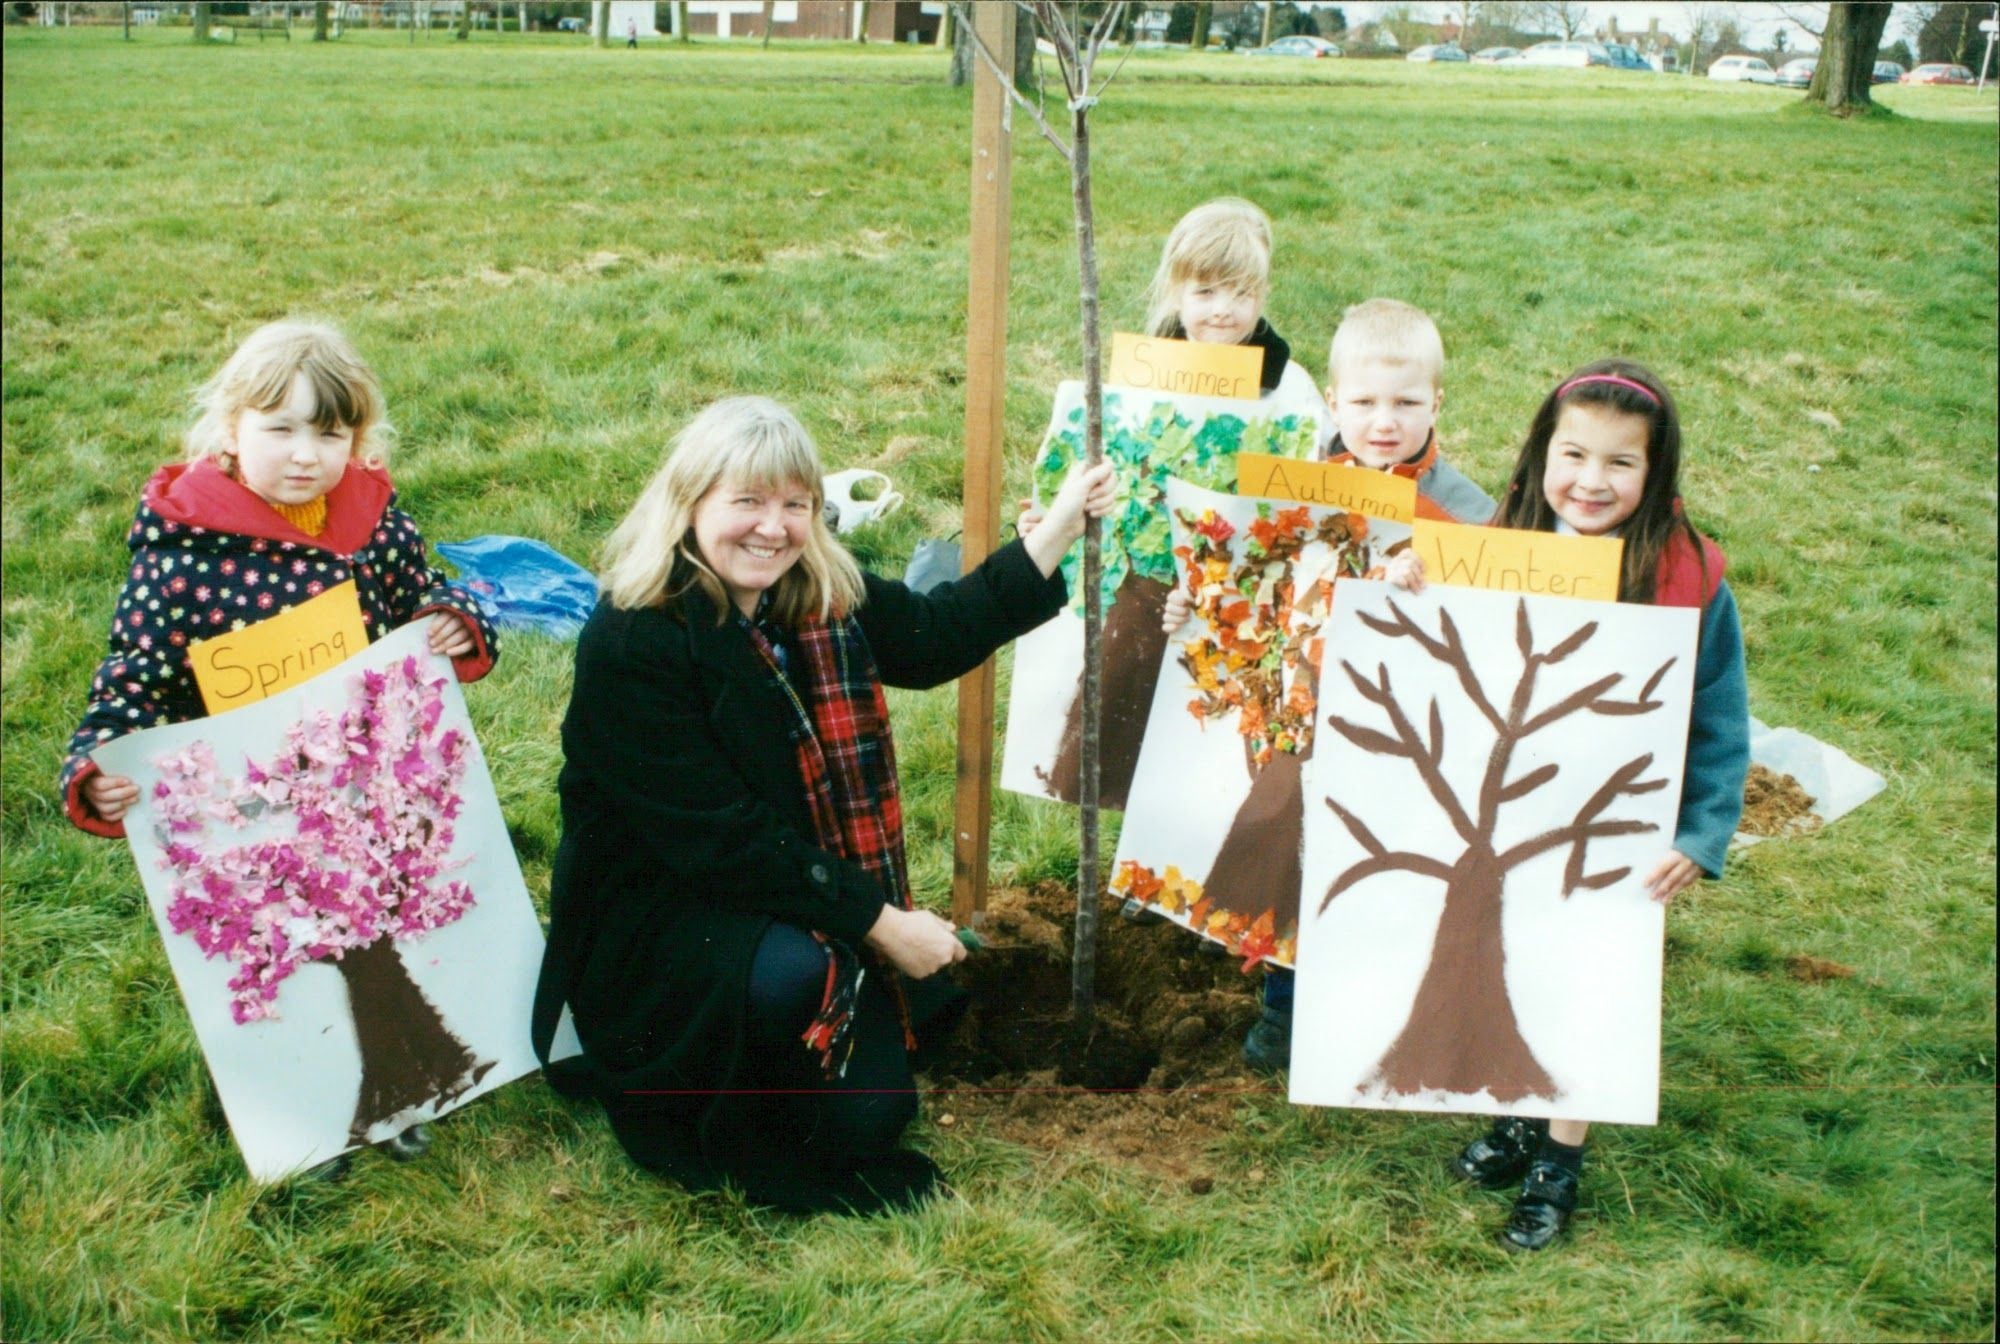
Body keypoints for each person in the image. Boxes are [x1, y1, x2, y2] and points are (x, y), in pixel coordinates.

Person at [531, 396, 1115, 1215]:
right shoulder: (636, 640)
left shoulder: (811, 595)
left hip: (781, 881)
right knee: (817, 1038)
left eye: (795, 505)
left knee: (877, 1109)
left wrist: (1053, 530)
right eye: (747, 501)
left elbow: (935, 633)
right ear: (690, 504)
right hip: (660, 918)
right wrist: (882, 922)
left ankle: (819, 1001)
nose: (772, 528)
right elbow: (722, 841)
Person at [58, 318, 497, 1162]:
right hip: (253, 802)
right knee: (287, 964)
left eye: (329, 433)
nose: (305, 454)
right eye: (279, 428)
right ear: (230, 430)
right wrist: (98, 764)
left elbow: (421, 591)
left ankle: (402, 1087)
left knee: (376, 942)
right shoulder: (182, 555)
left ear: (356, 439)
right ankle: (300, 1105)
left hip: (365, 788)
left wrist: (453, 619)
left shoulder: (368, 519)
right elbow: (133, 675)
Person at [1384, 358, 1749, 1251]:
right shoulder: (1496, 544)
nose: (1591, 481)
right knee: (1510, 959)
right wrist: (1411, 583)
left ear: (1655, 473)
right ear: (1540, 453)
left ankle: (1561, 1159)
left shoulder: (1687, 577)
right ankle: (1518, 1118)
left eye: (1620, 464)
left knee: (1590, 981)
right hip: (1509, 807)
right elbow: (1441, 646)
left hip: (1617, 824)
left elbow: (1719, 716)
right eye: (1573, 454)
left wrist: (1701, 835)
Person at [1189, 299, 1500, 1073]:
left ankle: (1378, 1009)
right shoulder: (1298, 488)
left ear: (1438, 404)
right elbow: (1254, 580)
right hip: (1304, 716)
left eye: (1404, 403)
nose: (1384, 421)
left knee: (1386, 867)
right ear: (1334, 403)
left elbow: (1486, 634)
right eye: (1363, 403)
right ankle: (1284, 1012)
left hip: (1405, 732)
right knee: (1294, 857)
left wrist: (1428, 592)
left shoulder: (1465, 516)